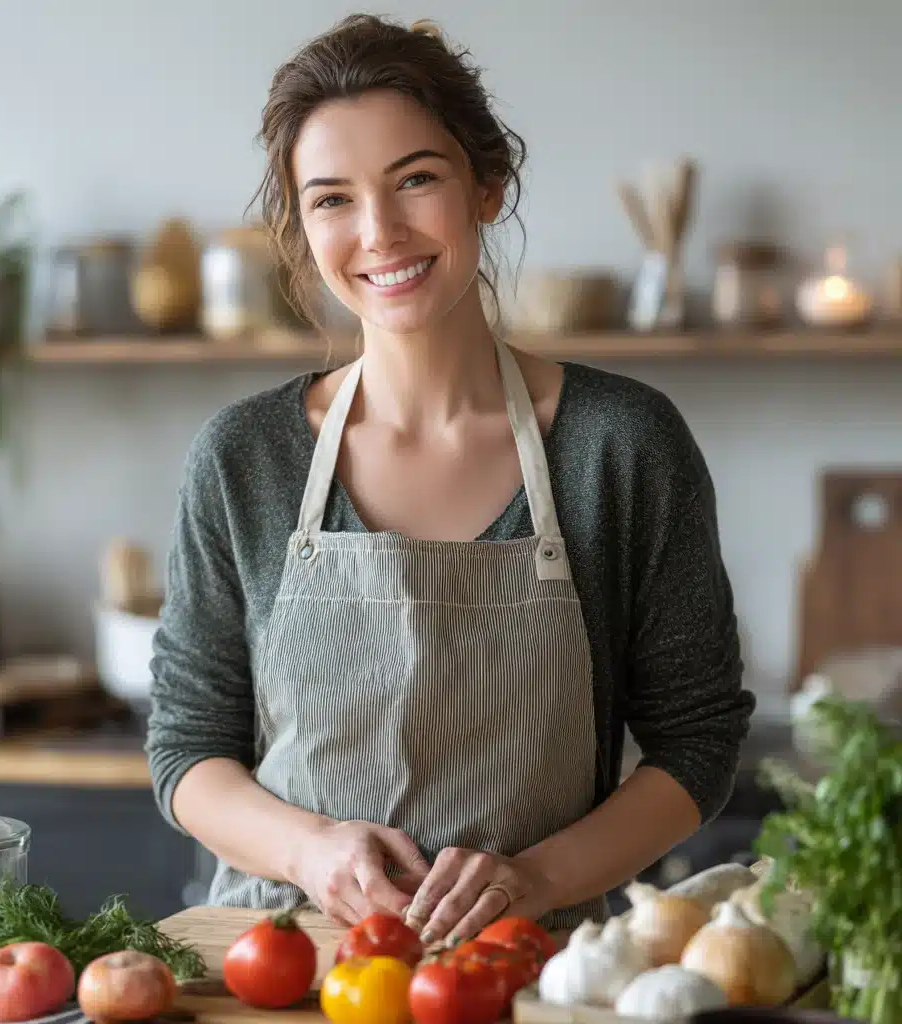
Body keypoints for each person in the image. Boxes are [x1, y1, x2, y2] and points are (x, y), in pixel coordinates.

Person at [146, 13, 754, 946]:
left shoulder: (620, 445)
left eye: (416, 180)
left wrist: (533, 879)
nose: (379, 232)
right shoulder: (243, 457)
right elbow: (187, 749)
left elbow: (698, 742)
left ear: (487, 187)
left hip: (532, 969)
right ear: (301, 229)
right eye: (332, 199)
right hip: (284, 970)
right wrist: (310, 851)